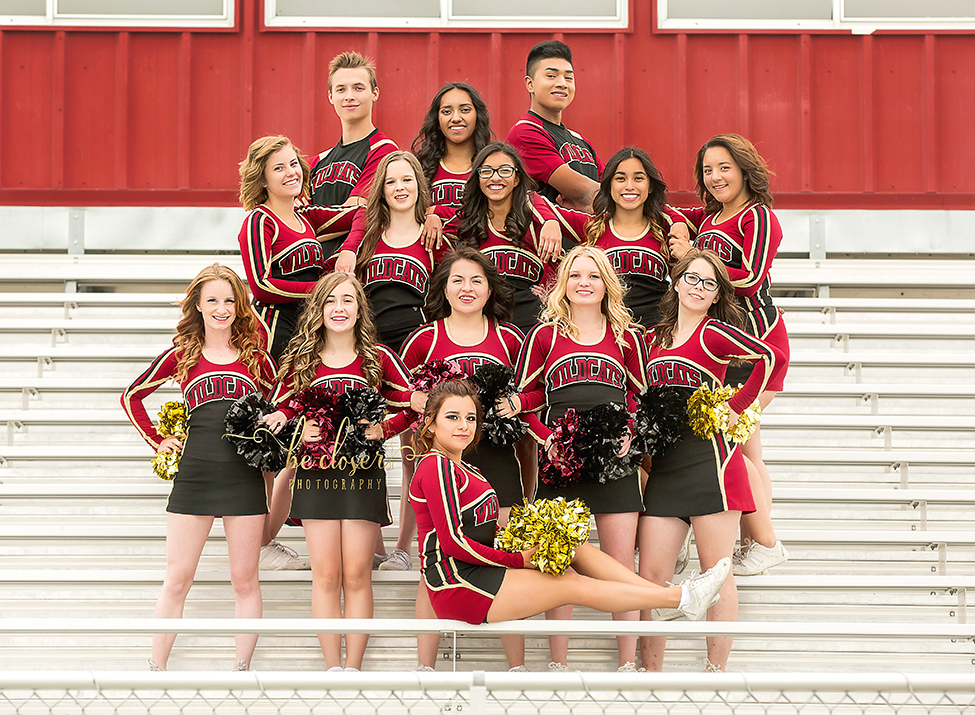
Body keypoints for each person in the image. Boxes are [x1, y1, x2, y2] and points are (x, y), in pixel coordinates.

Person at [409, 379, 730, 635]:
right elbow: (453, 542)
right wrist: (518, 558)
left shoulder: (468, 470)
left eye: (470, 418)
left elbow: (484, 533)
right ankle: (679, 598)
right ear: (431, 425)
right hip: (456, 583)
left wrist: (533, 538)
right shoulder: (435, 466)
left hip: (478, 571)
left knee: (572, 546)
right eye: (452, 417)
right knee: (571, 583)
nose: (463, 425)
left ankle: (662, 597)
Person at [121, 264, 277, 672]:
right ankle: (156, 669)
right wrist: (159, 439)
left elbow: (282, 405)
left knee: (245, 581)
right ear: (198, 306)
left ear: (240, 306)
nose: (221, 308)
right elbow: (132, 396)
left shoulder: (257, 358)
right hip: (195, 475)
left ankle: (241, 670)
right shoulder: (182, 355)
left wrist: (272, 434)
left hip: (244, 477)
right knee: (177, 578)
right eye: (212, 300)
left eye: (229, 300)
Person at [503, 245, 647, 672]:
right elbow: (523, 399)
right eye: (576, 274)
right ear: (563, 283)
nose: (585, 282)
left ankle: (627, 663)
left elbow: (640, 396)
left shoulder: (627, 337)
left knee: (620, 564)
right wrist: (546, 440)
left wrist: (630, 434)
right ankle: (559, 664)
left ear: (607, 284)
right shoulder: (543, 335)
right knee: (558, 563)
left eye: (594, 275)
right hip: (560, 464)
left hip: (613, 467)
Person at [263, 272, 415, 671]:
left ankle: (354, 669)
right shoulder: (302, 360)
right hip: (316, 476)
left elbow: (414, 403)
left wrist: (385, 428)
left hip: (363, 475)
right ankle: (333, 668)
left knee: (357, 575)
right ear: (319, 309)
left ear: (360, 310)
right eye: (331, 301)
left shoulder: (377, 359)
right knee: (327, 575)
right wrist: (300, 429)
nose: (339, 308)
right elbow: (280, 411)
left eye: (348, 300)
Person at [639, 248, 779, 673]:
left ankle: (715, 672)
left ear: (718, 294)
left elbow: (770, 358)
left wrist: (737, 405)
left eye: (709, 283)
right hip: (665, 468)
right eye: (692, 278)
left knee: (717, 573)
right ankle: (651, 672)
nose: (699, 288)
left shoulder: (714, 333)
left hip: (710, 464)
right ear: (676, 282)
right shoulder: (653, 339)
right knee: (651, 577)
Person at [400, 247, 527, 671]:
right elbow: (394, 390)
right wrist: (410, 399)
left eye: (476, 280)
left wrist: (518, 403)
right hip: (444, 467)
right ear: (444, 287)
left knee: (509, 553)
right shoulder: (424, 338)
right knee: (431, 565)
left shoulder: (510, 338)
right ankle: (424, 668)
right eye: (457, 279)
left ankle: (516, 667)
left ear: (490, 289)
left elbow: (529, 395)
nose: (467, 288)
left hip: (496, 461)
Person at [668, 134, 790, 577]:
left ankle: (765, 540)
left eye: (724, 167)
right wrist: (682, 229)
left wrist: (694, 255)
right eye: (707, 170)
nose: (716, 177)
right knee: (747, 447)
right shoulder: (714, 216)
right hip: (725, 347)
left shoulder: (758, 216)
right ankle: (750, 541)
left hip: (757, 345)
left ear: (744, 169)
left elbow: (753, 276)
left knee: (736, 448)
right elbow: (673, 215)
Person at [237, 134, 357, 570]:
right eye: (279, 168)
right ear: (262, 179)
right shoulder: (259, 221)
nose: (290, 173)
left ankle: (266, 536)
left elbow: (358, 213)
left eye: (294, 164)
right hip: (273, 332)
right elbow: (260, 285)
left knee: (296, 436)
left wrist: (346, 246)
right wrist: (322, 292)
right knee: (274, 437)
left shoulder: (306, 218)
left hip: (306, 331)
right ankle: (258, 541)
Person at [444, 142, 564, 335]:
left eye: (505, 170)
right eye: (487, 171)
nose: (495, 177)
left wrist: (554, 294)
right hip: (483, 325)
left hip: (531, 324)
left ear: (516, 179)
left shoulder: (535, 217)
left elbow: (591, 229)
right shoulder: (465, 220)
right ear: (478, 178)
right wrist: (432, 216)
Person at [307, 51, 398, 273]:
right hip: (311, 273)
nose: (349, 96)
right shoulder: (315, 162)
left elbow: (356, 215)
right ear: (330, 97)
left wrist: (305, 227)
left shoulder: (384, 152)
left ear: (374, 93)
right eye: (341, 89)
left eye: (358, 88)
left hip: (354, 272)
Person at [506, 40, 604, 211]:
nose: (562, 83)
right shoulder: (525, 131)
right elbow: (580, 191)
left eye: (568, 77)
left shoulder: (580, 141)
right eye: (551, 76)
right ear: (530, 84)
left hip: (587, 237)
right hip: (551, 236)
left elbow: (613, 181)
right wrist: (630, 201)